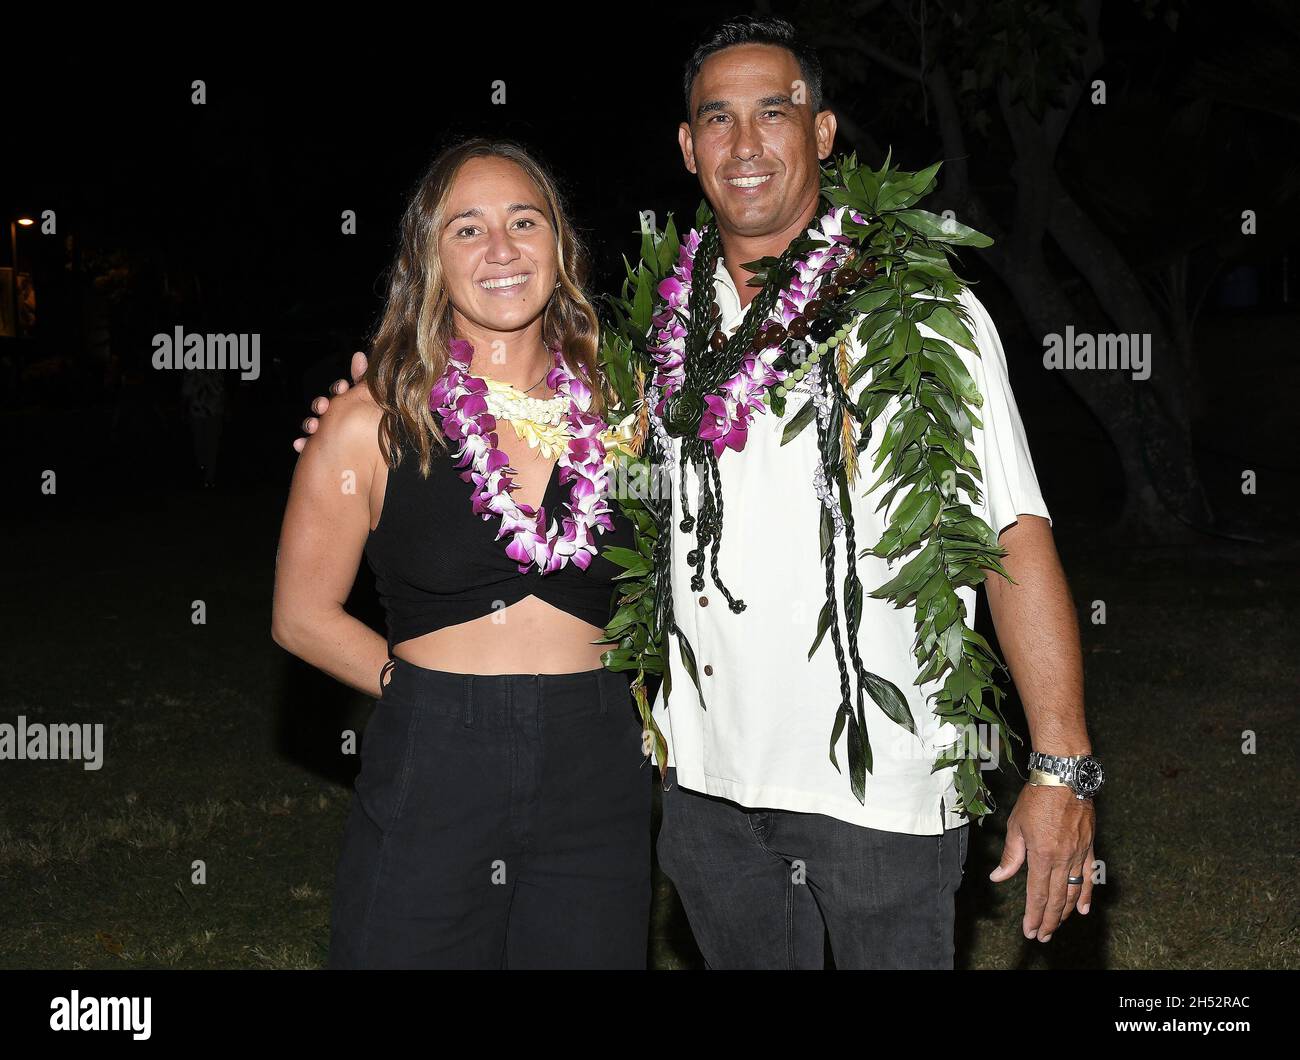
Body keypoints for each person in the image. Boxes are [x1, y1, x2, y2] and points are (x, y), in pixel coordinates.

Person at [298, 17, 1100, 971]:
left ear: (824, 131)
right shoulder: (649, 347)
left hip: (877, 790)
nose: (747, 143)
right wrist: (364, 404)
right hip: (705, 791)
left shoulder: (919, 311)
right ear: (688, 147)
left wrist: (1060, 764)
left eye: (776, 110)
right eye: (718, 118)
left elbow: (1009, 533)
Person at [273, 138, 650, 969]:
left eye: (525, 221)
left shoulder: (628, 411)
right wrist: (420, 698)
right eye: (468, 229)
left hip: (597, 758)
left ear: (560, 244)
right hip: (435, 756)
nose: (503, 250)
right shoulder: (369, 421)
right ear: (429, 257)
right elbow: (300, 616)